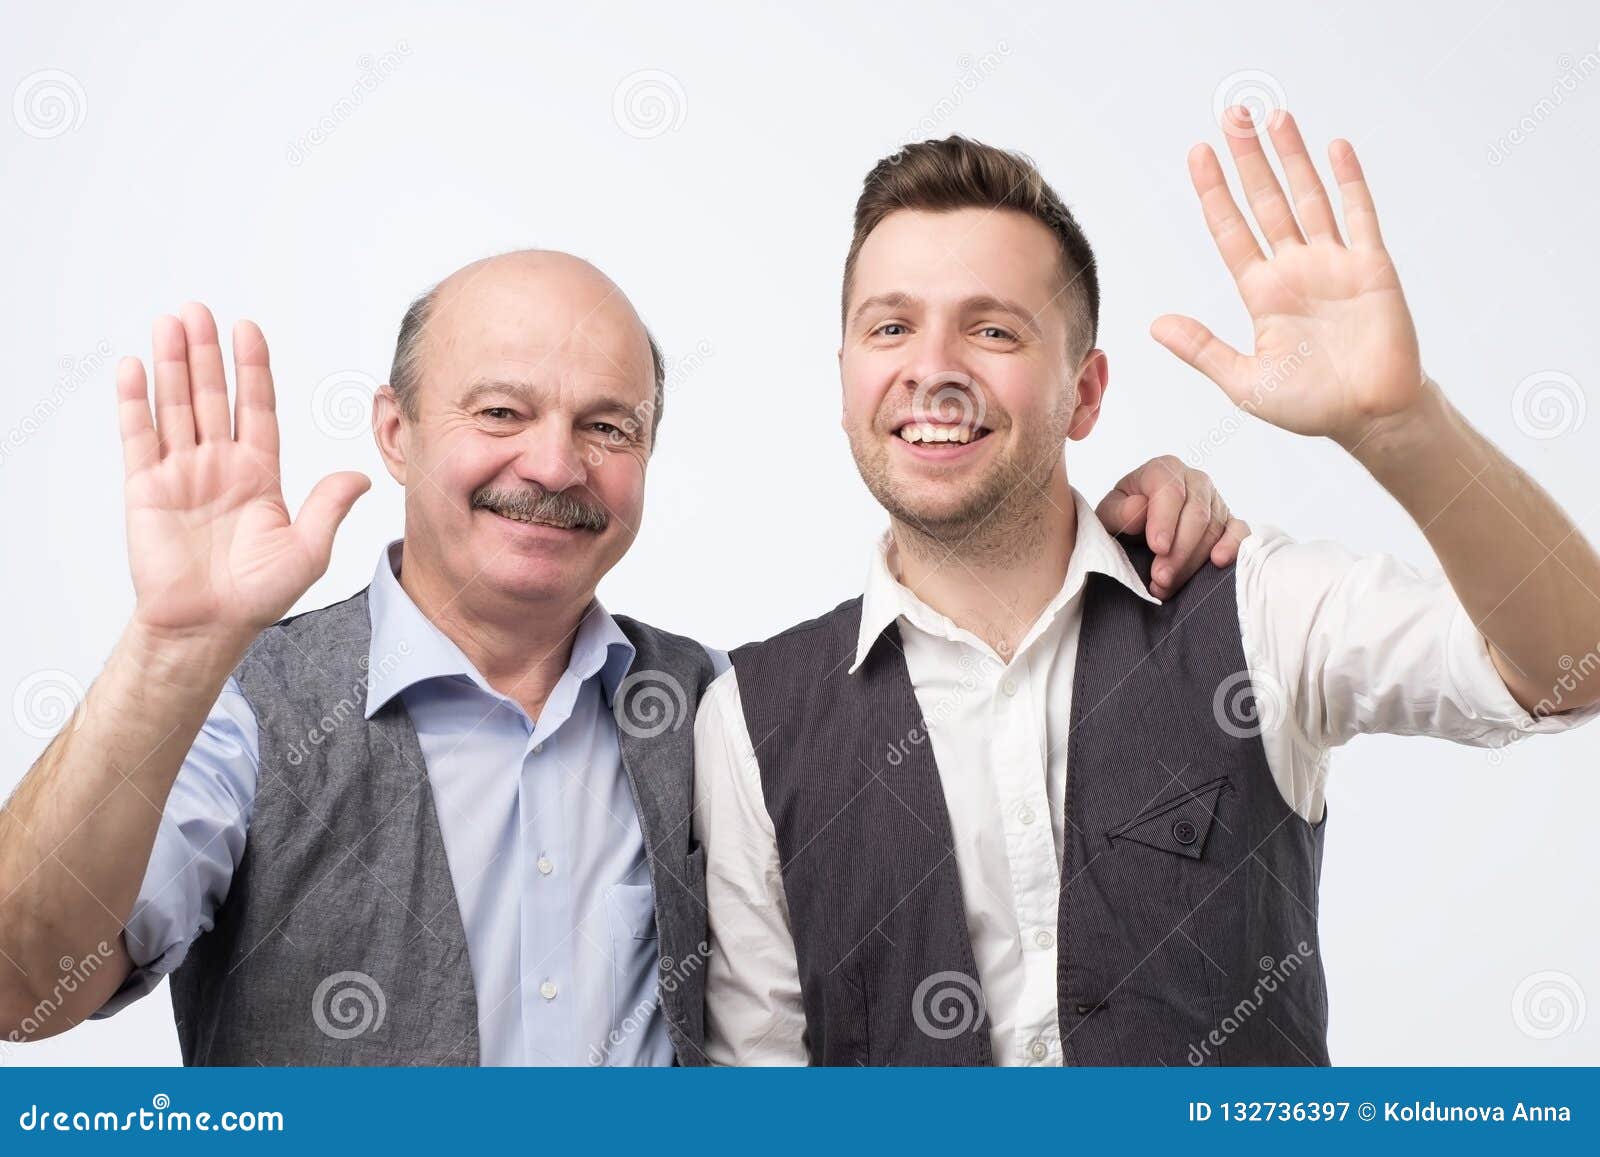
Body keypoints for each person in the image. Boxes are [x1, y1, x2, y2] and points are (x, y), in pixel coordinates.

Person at [0, 251, 1236, 1065]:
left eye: (607, 426)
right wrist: (172, 647)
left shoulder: (727, 708)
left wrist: (1099, 534)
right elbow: (22, 985)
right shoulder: (247, 710)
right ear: (394, 429)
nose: (552, 465)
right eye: (499, 412)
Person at [693, 110, 1600, 1066]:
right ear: (844, 380)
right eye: (890, 326)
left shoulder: (1252, 610)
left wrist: (1399, 427)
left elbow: (1571, 666)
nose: (934, 372)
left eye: (993, 328)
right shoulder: (747, 721)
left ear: (1085, 393)